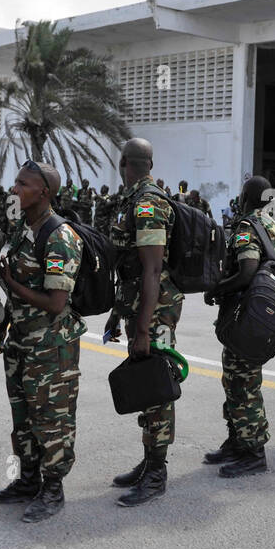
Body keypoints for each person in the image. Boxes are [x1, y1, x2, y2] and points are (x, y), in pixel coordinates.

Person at [0, 161, 85, 521]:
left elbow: (56, 303)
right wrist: (2, 329)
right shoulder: (22, 230)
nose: (15, 189)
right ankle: (27, 480)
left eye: (23, 184)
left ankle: (53, 488)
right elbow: (16, 293)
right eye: (15, 183)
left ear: (44, 192)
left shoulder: (60, 237)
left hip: (51, 346)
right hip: (21, 341)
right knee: (22, 416)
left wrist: (11, 283)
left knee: (51, 418)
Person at [106, 138, 184, 505]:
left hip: (156, 310)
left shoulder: (149, 203)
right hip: (141, 306)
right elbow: (130, 268)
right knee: (145, 383)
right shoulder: (133, 199)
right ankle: (148, 459)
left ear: (124, 162)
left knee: (156, 386)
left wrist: (142, 329)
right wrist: (118, 313)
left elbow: (152, 269)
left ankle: (157, 472)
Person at [202, 176, 275, 474]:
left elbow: (247, 271)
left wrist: (217, 289)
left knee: (243, 383)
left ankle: (253, 452)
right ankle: (237, 441)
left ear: (246, 197)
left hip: (247, 316)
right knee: (236, 380)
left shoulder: (247, 227)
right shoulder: (271, 225)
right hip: (258, 316)